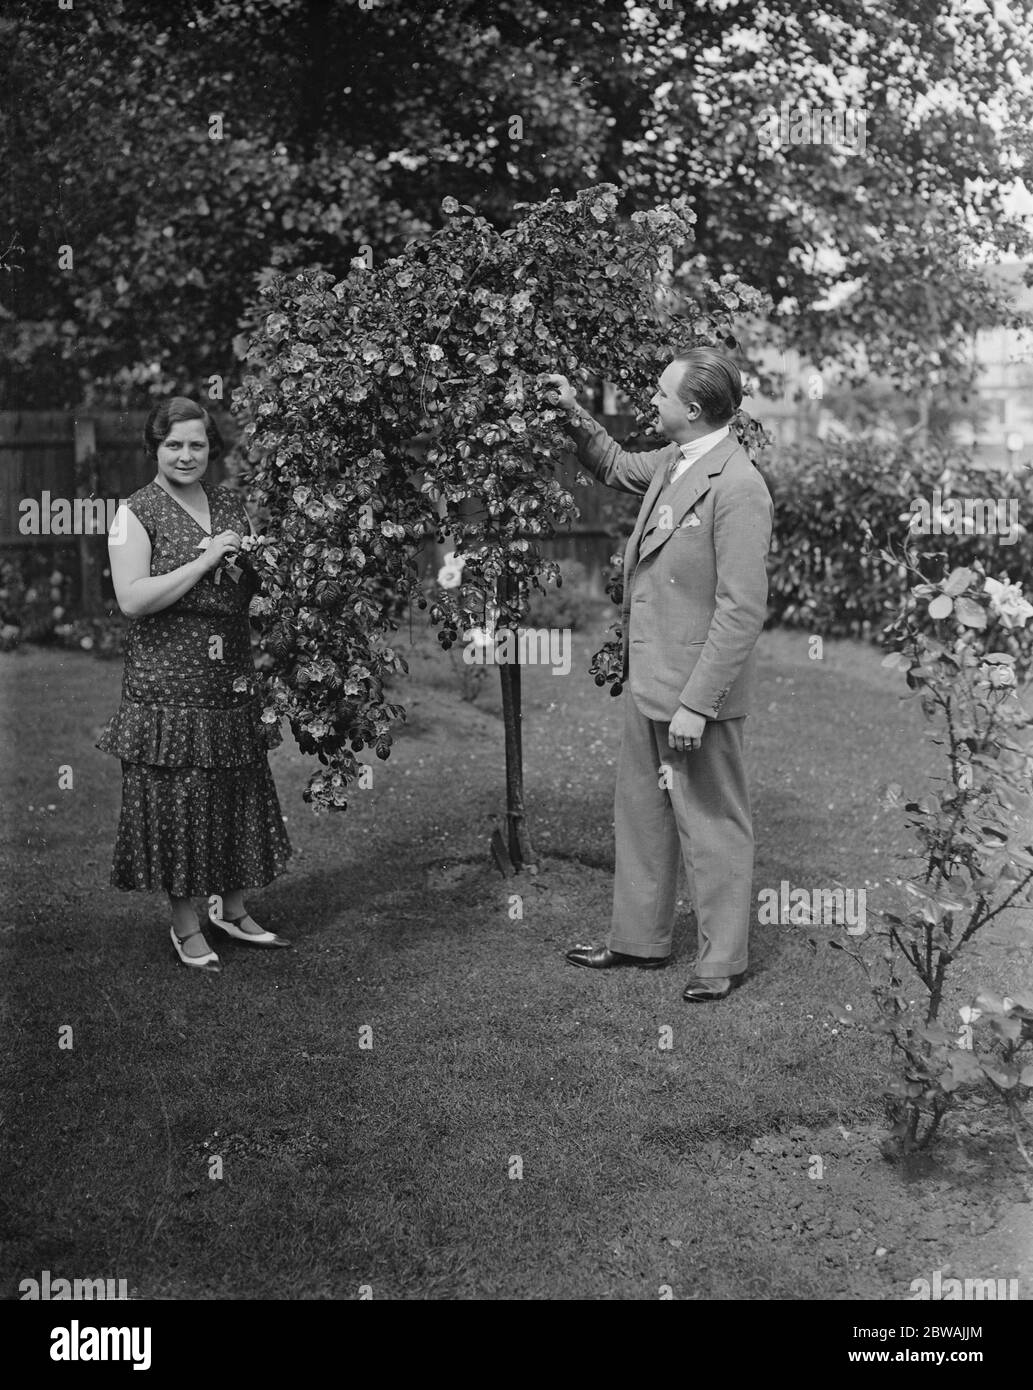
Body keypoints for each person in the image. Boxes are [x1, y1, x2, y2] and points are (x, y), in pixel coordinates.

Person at [545, 348, 773, 1002]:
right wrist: (569, 411)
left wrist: (697, 704)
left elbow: (741, 610)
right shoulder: (675, 461)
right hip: (649, 679)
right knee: (641, 814)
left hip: (696, 693)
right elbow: (614, 464)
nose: (651, 401)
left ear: (694, 409)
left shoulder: (737, 486)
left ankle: (719, 962)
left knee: (712, 824)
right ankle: (638, 941)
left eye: (660, 394)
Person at [98, 396, 292, 972]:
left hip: (228, 678)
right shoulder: (135, 513)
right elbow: (132, 599)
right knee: (179, 801)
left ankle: (231, 908)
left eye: (197, 444)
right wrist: (205, 561)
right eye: (174, 444)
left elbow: (248, 592)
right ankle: (185, 925)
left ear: (212, 447)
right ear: (155, 449)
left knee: (236, 792)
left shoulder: (232, 505)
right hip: (168, 686)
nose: (186, 455)